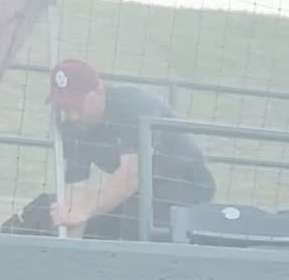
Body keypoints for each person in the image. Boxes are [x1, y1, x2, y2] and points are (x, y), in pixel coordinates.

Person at [47, 59, 216, 239]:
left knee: (131, 231)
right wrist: (70, 232)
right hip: (142, 191)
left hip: (183, 182)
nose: (72, 115)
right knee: (100, 230)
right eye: (65, 107)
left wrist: (85, 210)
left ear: (98, 90)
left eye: (77, 105)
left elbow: (131, 175)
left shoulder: (129, 106)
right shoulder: (73, 127)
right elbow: (76, 191)